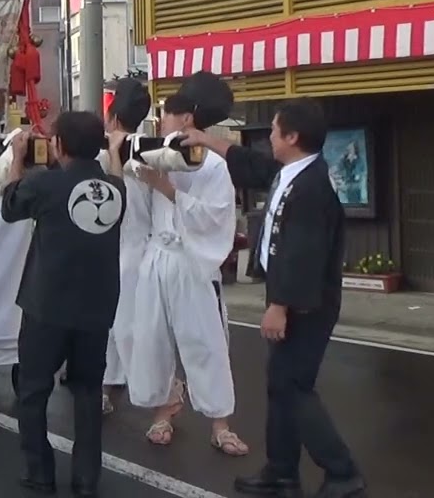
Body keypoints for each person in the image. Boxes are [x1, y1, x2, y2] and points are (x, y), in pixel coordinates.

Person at [183, 99, 366, 498]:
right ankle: (281, 470)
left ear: (293, 137)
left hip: (306, 304)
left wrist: (279, 306)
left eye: (274, 130)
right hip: (291, 297)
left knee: (294, 386)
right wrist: (203, 139)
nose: (269, 136)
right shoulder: (292, 172)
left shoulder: (312, 187)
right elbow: (250, 164)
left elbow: (302, 253)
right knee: (280, 385)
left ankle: (343, 471)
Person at [1, 112, 126, 495]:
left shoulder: (45, 184)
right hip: (97, 307)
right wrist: (116, 153)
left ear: (58, 145)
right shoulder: (114, 191)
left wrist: (17, 157)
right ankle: (87, 479)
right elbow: (117, 179)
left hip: (47, 305)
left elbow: (9, 207)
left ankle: (39, 470)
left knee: (34, 389)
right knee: (88, 391)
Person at [127, 70, 248, 456]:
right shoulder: (157, 152)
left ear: (186, 119)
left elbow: (214, 216)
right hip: (157, 256)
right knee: (152, 336)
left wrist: (167, 188)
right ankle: (164, 409)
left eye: (168, 114)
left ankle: (220, 422)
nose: (162, 121)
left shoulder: (213, 164)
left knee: (205, 341)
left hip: (192, 259)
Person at [101, 78, 154, 415]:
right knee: (116, 323)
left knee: (126, 325)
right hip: (134, 244)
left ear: (115, 118)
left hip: (128, 246)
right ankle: (107, 386)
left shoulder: (115, 151)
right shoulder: (151, 148)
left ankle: (162, 392)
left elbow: (113, 193)